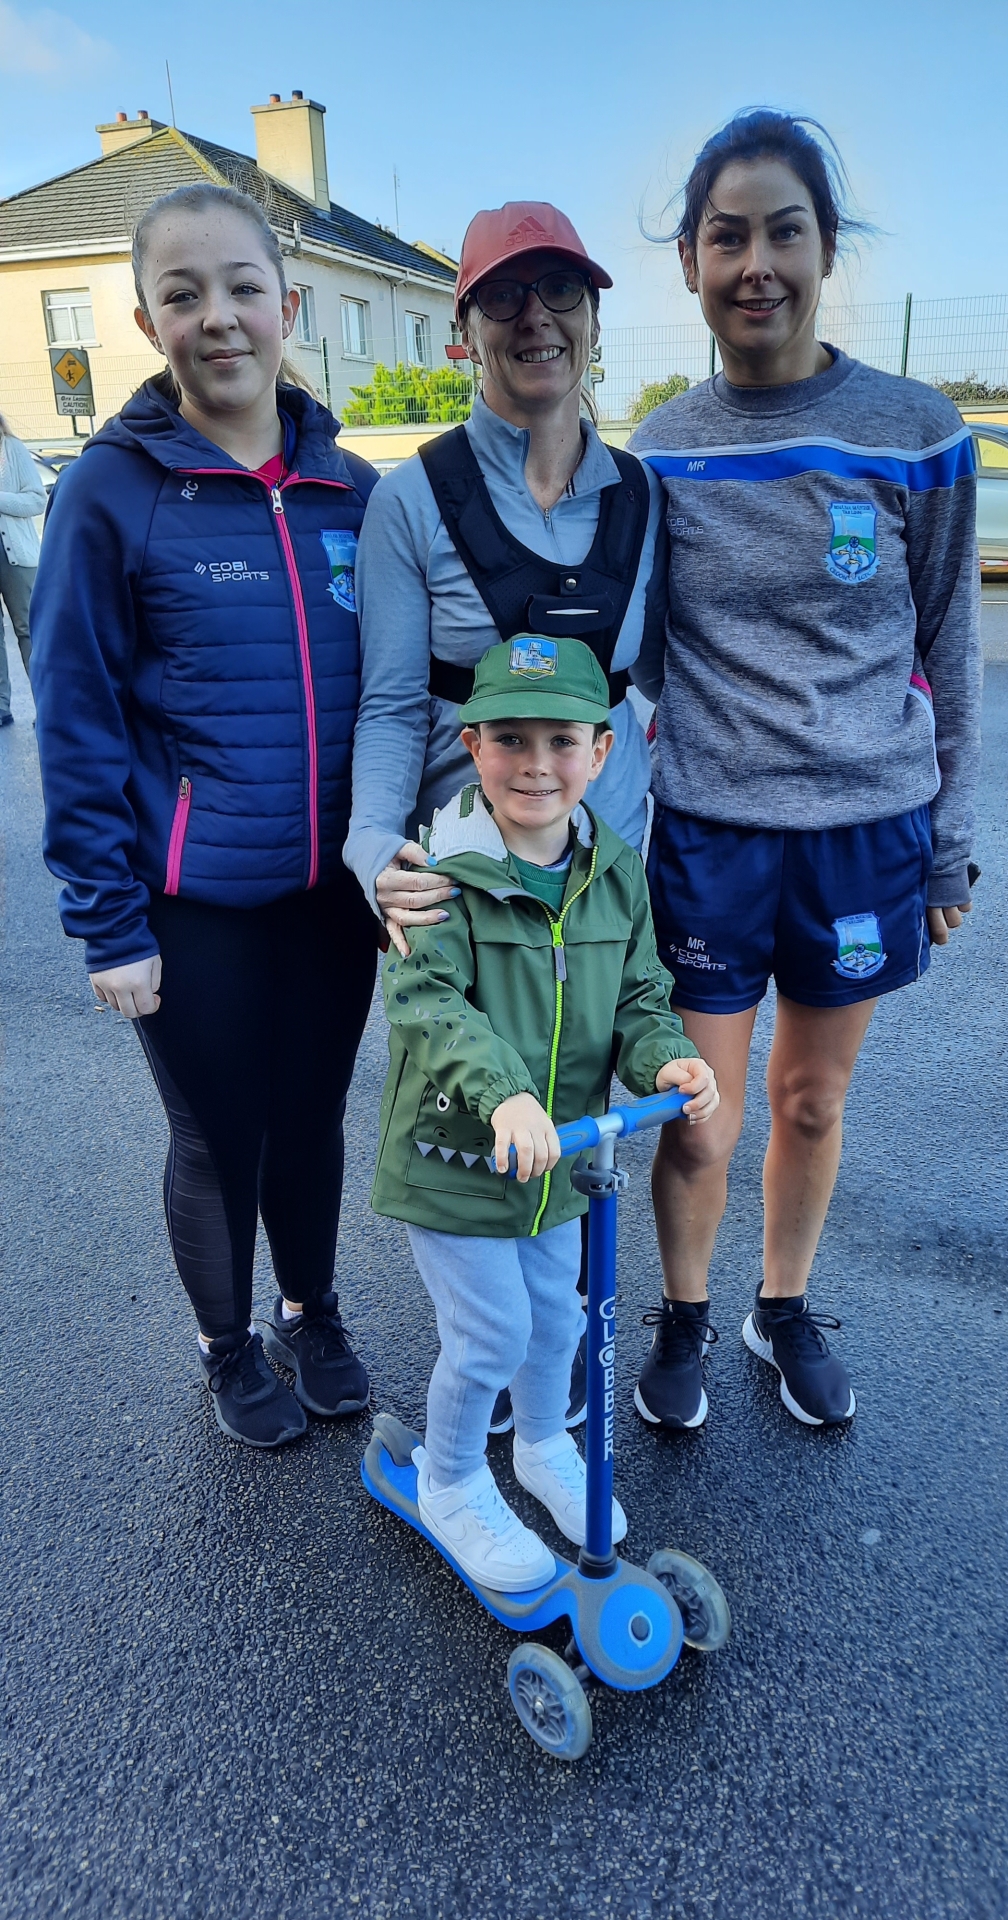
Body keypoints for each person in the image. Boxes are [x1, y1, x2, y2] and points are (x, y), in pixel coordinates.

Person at [627, 110, 981, 1432]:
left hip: (864, 837)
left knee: (812, 1101)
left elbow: (950, 641)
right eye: (729, 235)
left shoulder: (913, 429)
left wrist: (946, 844)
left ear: (827, 248)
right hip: (711, 835)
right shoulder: (659, 448)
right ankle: (682, 1319)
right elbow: (641, 649)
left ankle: (782, 1309)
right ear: (690, 260)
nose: (757, 261)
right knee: (701, 1113)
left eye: (786, 230)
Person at [30, 182, 381, 1448]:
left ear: (288, 304)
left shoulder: (351, 489)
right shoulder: (113, 494)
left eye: (242, 287)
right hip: (191, 907)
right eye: (184, 296)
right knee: (220, 1132)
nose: (218, 318)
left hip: (333, 900)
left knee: (315, 1115)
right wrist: (107, 922)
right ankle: (228, 1343)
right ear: (146, 319)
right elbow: (70, 717)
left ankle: (313, 1306)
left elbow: (397, 696)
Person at [345, 199, 666, 1428]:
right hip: (467, 884)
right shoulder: (412, 499)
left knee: (583, 1116)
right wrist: (377, 852)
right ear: (463, 328)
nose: (536, 319)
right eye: (504, 298)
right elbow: (385, 708)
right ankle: (478, 1370)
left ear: (592, 319)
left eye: (561, 293)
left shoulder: (641, 500)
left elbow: (663, 695)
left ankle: (548, 1370)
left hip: (599, 870)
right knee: (479, 1120)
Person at [370, 634, 717, 1587]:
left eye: (561, 741)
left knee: (557, 1325)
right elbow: (430, 1008)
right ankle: (448, 1480)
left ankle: (537, 1449)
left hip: (560, 1164)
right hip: (458, 1163)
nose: (536, 765)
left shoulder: (614, 871)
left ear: (600, 754)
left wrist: (672, 1057)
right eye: (510, 741)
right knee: (491, 1335)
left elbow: (641, 997)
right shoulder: (437, 876)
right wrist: (507, 1094)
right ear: (473, 746)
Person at [0, 412, 46, 724]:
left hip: (14, 554)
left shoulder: (12, 450)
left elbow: (36, 500)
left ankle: (47, 704)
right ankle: (1, 706)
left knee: (30, 630)